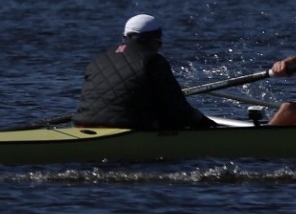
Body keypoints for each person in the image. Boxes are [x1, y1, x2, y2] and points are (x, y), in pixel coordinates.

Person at [73, 13, 217, 130]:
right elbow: (177, 108)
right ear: (154, 39)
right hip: (126, 128)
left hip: (83, 123)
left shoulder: (99, 59)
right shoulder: (153, 61)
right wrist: (206, 124)